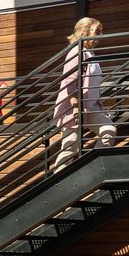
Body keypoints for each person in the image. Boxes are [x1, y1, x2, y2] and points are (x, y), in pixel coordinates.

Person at [51, 17, 115, 172]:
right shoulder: (77, 51)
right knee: (71, 146)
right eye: (97, 32)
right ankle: (58, 179)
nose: (100, 36)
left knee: (109, 130)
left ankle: (93, 169)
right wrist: (75, 106)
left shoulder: (90, 54)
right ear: (86, 31)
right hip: (75, 107)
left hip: (91, 106)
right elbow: (69, 81)